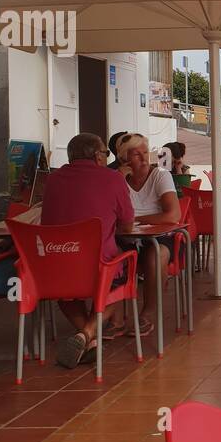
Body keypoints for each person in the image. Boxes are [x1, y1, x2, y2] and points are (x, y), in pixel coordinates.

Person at [39, 132, 135, 367]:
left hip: (58, 266)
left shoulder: (52, 180)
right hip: (100, 268)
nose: (106, 157)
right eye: (105, 152)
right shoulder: (113, 179)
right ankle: (87, 334)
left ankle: (88, 341)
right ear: (97, 156)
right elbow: (127, 225)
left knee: (63, 293)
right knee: (121, 281)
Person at [118, 133, 181, 335]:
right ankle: (114, 318)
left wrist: (136, 219)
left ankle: (148, 314)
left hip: (159, 237)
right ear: (124, 159)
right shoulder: (116, 180)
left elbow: (173, 215)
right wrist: (117, 181)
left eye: (145, 153)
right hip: (125, 238)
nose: (144, 159)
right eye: (136, 155)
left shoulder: (160, 175)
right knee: (108, 254)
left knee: (157, 254)